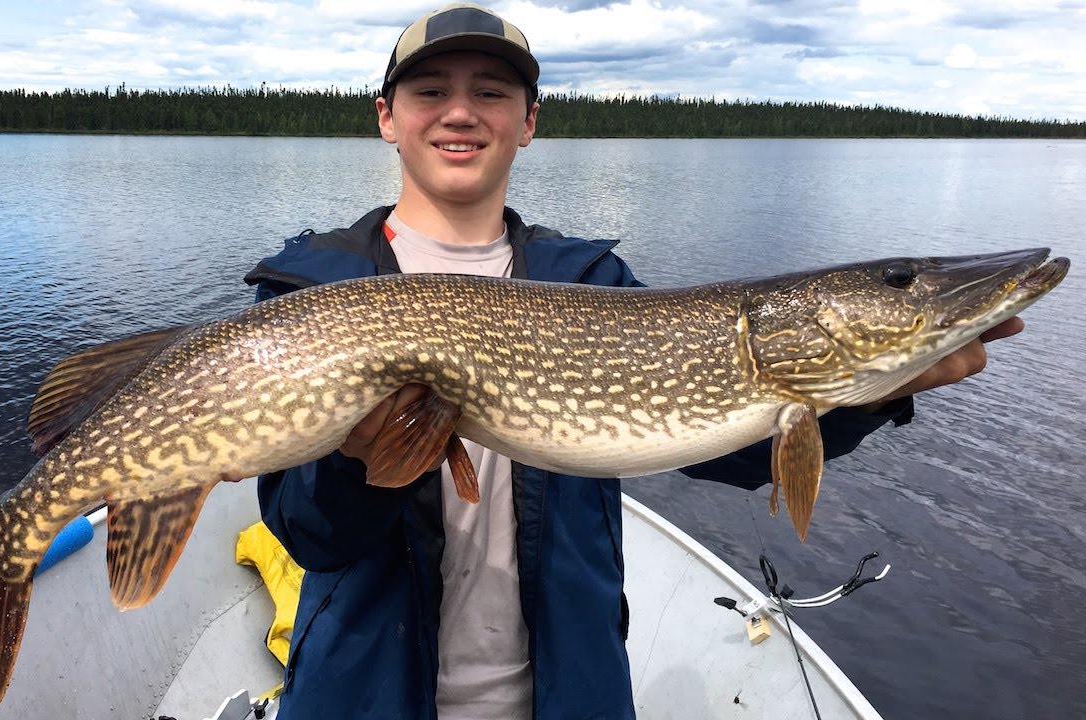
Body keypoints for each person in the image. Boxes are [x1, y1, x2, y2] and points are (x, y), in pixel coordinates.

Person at [242, 4, 1022, 718]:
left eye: (491, 92)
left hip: (569, 696)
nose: (460, 111)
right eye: (430, 91)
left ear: (527, 121)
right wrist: (360, 460)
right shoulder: (311, 288)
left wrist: (866, 396)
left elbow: (732, 447)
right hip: (364, 696)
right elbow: (311, 536)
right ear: (387, 116)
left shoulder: (593, 283)